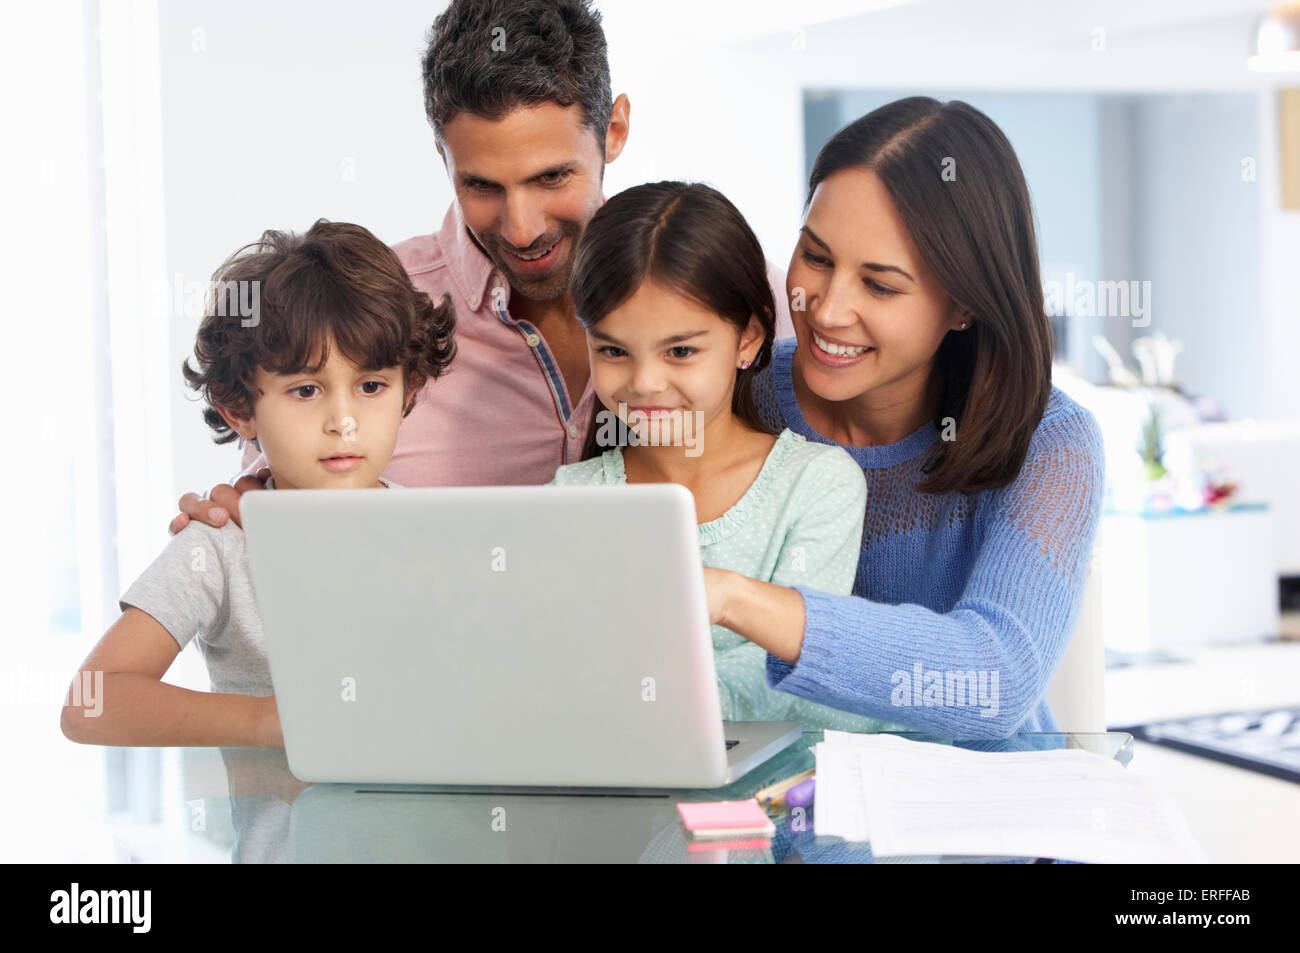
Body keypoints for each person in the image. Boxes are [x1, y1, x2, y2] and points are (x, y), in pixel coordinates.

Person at [170, 0, 793, 533]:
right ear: (441, 154)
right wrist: (254, 500)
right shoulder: (374, 309)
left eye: (552, 176)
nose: (522, 228)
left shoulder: (724, 285)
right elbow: (280, 472)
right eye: (481, 184)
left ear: (614, 130)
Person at [701, 97, 1106, 739]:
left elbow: (993, 679)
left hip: (981, 818)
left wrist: (736, 599)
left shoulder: (1049, 440)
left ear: (964, 305)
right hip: (785, 806)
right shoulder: (734, 394)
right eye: (816, 257)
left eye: (881, 285)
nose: (828, 310)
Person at [61, 221, 456, 747]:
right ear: (240, 409)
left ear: (408, 393)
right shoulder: (220, 545)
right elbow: (90, 701)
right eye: (306, 389)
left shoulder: (442, 535)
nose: (344, 421)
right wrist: (270, 721)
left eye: (371, 386)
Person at [548, 181, 899, 732]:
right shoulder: (570, 499)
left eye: (681, 351)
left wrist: (641, 699)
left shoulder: (817, 485)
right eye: (613, 351)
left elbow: (797, 669)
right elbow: (553, 666)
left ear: (748, 340)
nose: (644, 383)